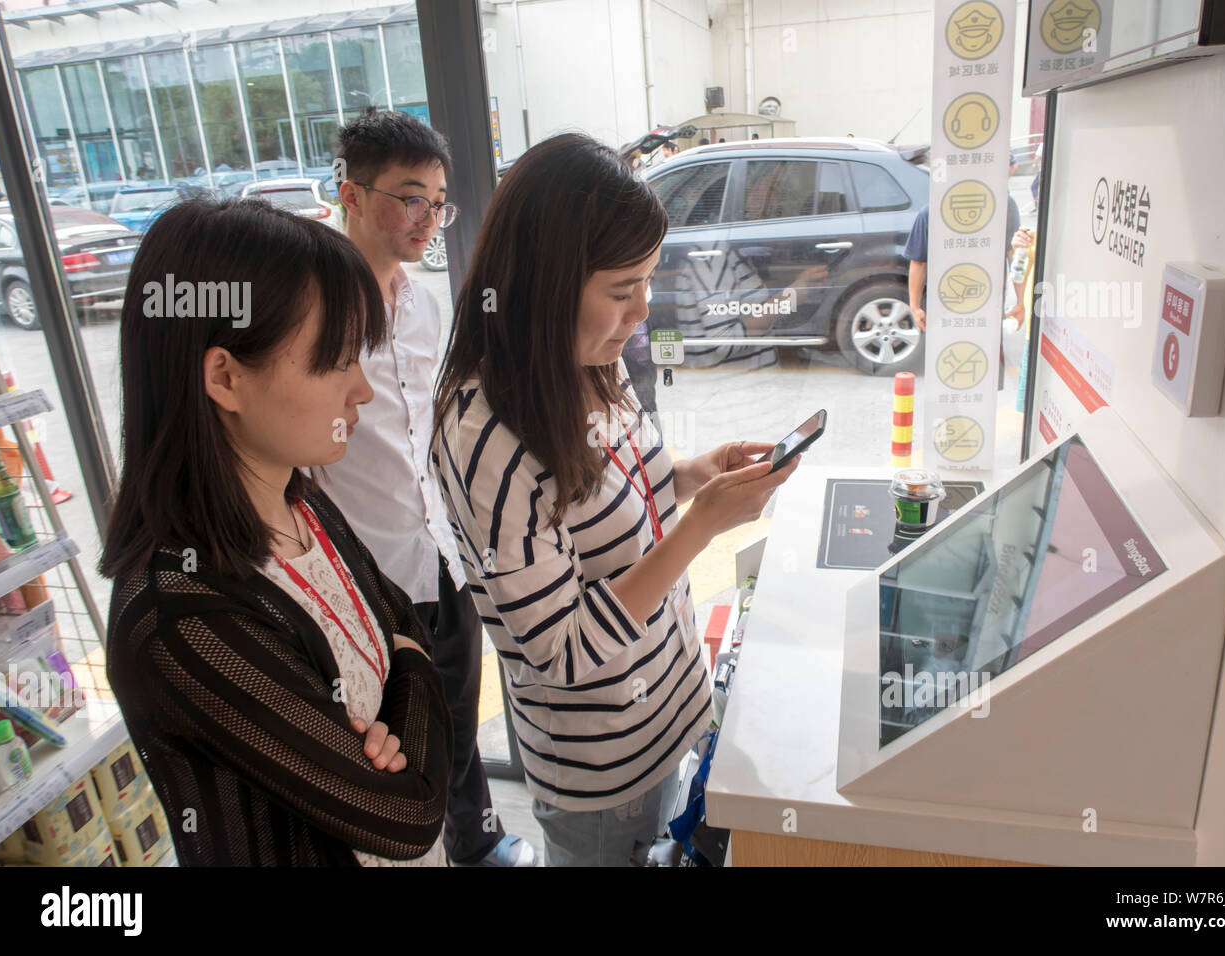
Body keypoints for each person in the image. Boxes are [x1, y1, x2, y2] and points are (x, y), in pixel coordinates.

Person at [430, 132, 800, 866]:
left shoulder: (587, 358)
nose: (643, 309)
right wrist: (699, 529)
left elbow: (615, 490)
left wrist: (697, 473)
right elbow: (561, 652)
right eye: (623, 288)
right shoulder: (483, 439)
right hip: (602, 762)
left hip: (668, 701)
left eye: (650, 281)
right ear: (545, 285)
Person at [100, 198, 453, 866]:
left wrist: (404, 671)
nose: (362, 391)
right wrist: (413, 665)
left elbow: (402, 614)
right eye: (337, 361)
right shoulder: (181, 616)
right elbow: (408, 816)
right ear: (226, 377)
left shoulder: (300, 499)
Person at [321, 108, 537, 867]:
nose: (429, 218)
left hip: (441, 550)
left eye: (438, 202)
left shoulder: (426, 303)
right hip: (364, 571)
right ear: (351, 195)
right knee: (394, 738)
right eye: (411, 197)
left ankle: (476, 844)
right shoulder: (316, 310)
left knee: (456, 715)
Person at [906, 151, 1026, 389]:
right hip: (963, 309)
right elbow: (918, 261)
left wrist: (916, 305)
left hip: (971, 308)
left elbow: (1014, 253)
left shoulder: (1003, 205)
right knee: (966, 376)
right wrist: (914, 304)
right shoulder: (932, 211)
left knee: (967, 376)